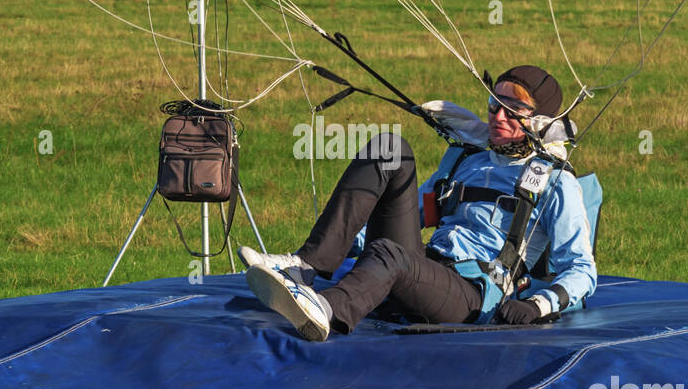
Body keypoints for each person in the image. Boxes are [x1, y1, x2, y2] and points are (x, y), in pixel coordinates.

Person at [240, 64, 597, 341]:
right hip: (424, 270)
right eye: (493, 105)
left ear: (540, 120)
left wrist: (539, 304)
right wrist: (349, 243)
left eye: (512, 109)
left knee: (389, 256)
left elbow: (582, 269)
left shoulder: (555, 183)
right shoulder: (465, 161)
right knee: (390, 150)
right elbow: (412, 212)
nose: (497, 116)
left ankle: (325, 310)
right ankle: (303, 266)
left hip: (472, 295)